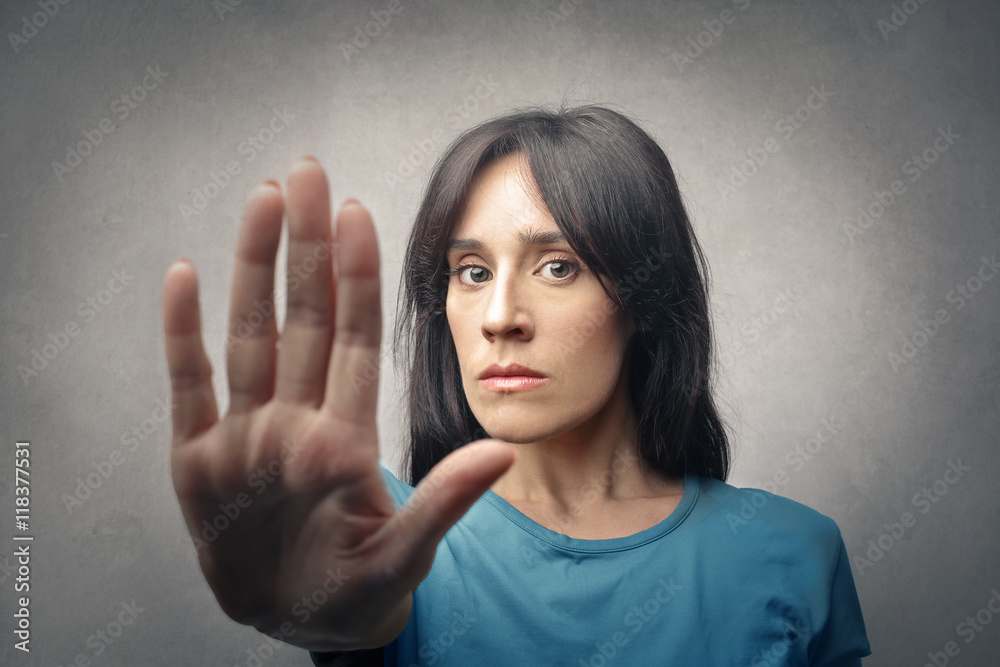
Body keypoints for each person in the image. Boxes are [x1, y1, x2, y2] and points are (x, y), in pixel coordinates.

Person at [162, 105, 872, 666]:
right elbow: (359, 601)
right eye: (471, 272)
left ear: (646, 302)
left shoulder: (794, 552)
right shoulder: (382, 536)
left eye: (558, 266)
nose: (500, 317)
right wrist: (328, 617)